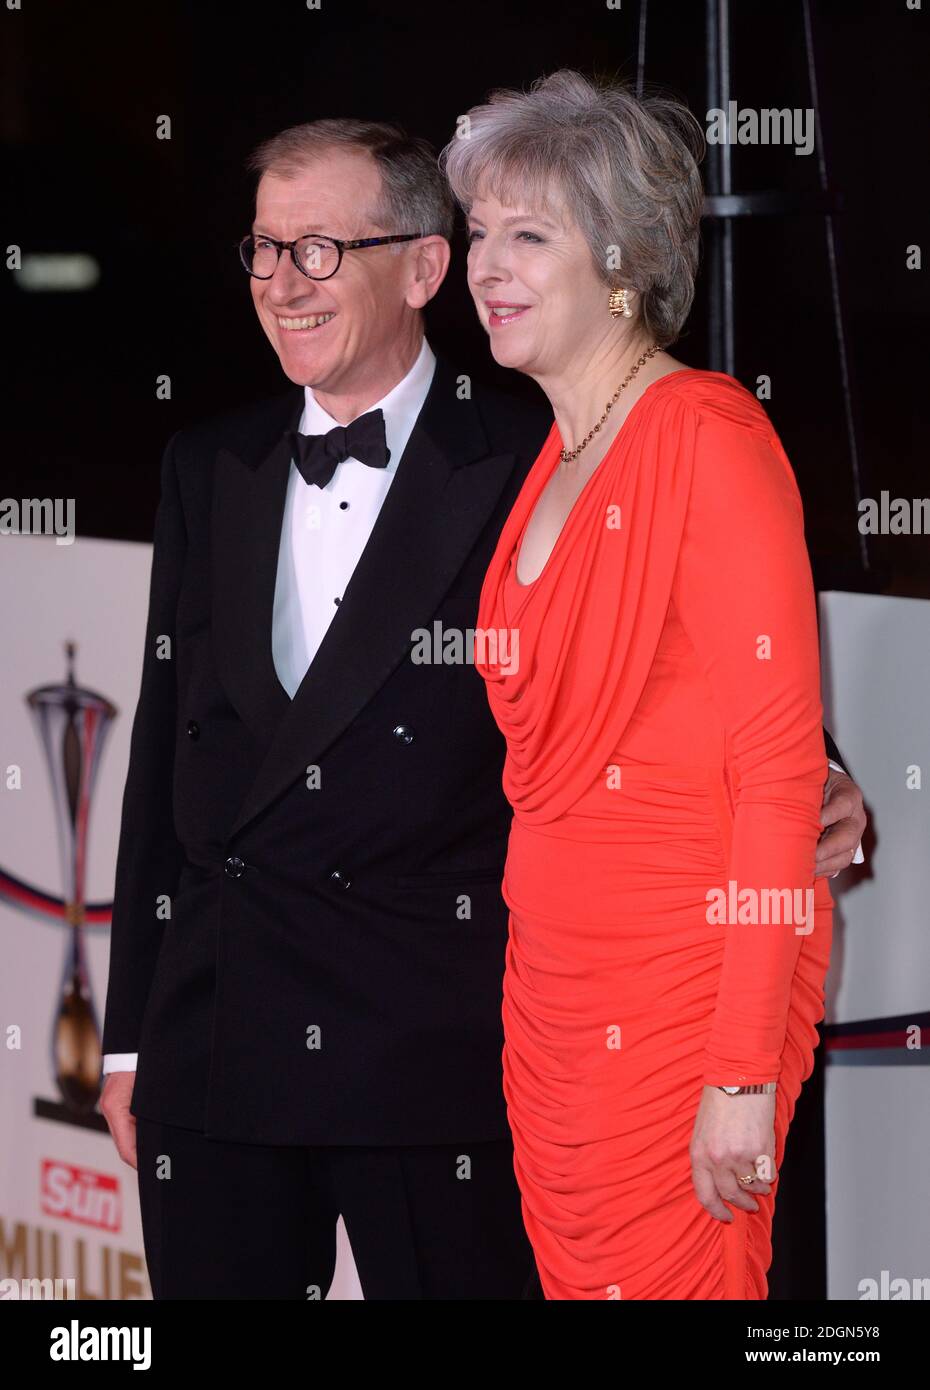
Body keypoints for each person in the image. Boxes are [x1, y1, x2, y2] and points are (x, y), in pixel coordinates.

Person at [101, 113, 864, 1301]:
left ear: (420, 268)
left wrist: (827, 774)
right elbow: (164, 758)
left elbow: (728, 690)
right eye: (263, 248)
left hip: (439, 1041)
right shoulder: (213, 463)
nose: (283, 282)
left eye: (321, 249)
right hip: (235, 1033)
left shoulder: (536, 445)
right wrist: (131, 1036)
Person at [440, 70, 859, 1299]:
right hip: (555, 997)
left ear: (622, 257)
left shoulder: (707, 438)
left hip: (683, 1002)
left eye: (529, 235)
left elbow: (778, 775)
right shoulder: (555, 454)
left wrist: (736, 1074)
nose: (487, 267)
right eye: (478, 234)